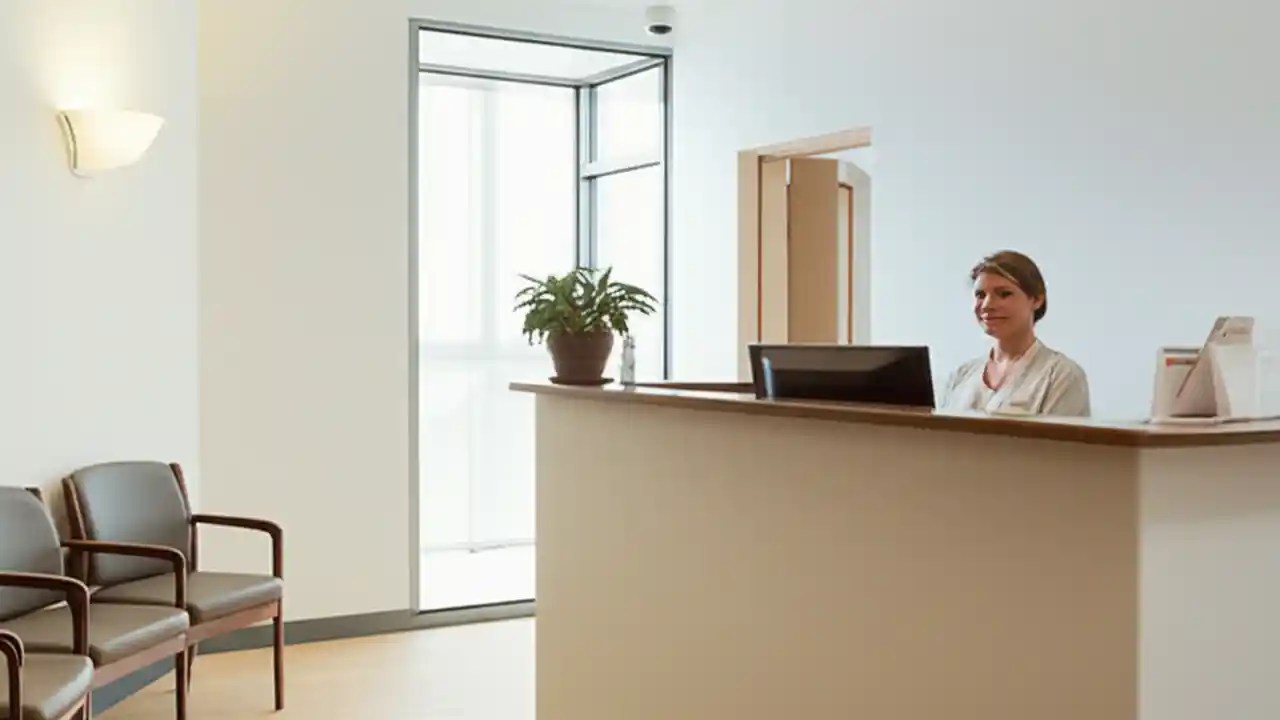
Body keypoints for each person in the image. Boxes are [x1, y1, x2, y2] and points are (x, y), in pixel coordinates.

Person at [940, 250, 1090, 416]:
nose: (987, 305)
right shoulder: (961, 376)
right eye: (980, 295)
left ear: (1036, 299)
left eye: (1004, 294)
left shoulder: (1061, 376)